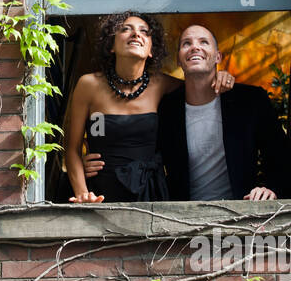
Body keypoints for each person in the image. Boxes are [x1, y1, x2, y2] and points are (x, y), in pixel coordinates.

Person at [84, 23, 291, 201]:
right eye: (186, 43)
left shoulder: (249, 100)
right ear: (178, 60)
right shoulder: (166, 107)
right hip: (180, 218)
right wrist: (97, 158)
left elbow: (281, 156)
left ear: (217, 56)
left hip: (242, 213)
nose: (195, 47)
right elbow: (134, 143)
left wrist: (271, 189)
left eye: (204, 42)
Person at [64, 12, 233, 204]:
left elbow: (199, 83)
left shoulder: (162, 85)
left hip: (150, 195)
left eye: (144, 31)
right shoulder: (88, 85)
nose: (136, 34)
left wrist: (220, 76)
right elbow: (72, 150)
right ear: (111, 45)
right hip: (100, 194)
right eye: (126, 29)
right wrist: (83, 194)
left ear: (151, 49)